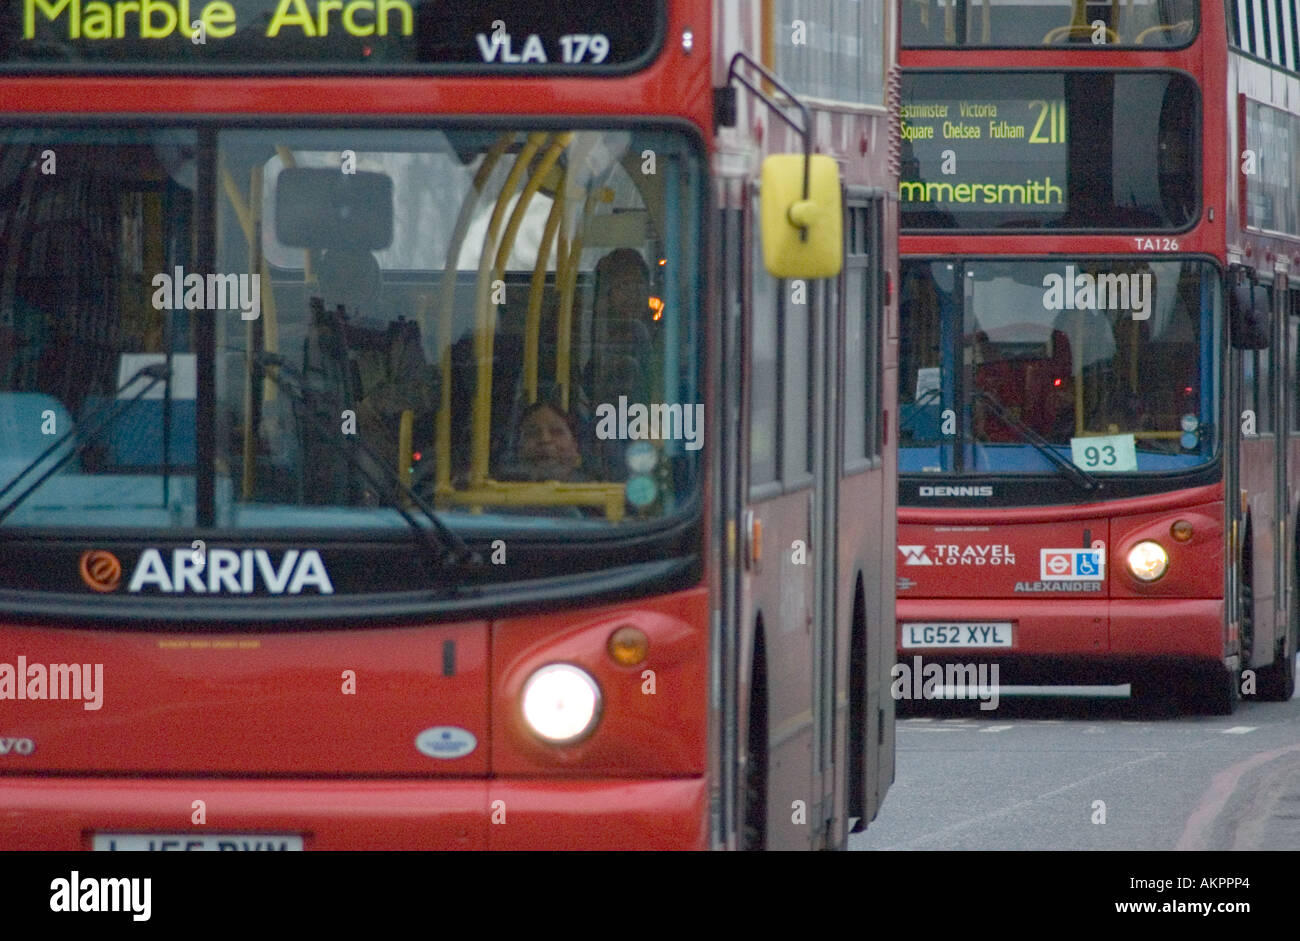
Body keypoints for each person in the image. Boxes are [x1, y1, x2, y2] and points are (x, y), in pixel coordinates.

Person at [497, 401, 587, 483]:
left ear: (575, 447)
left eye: (556, 432)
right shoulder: (496, 493)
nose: (545, 439)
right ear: (520, 447)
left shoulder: (596, 492)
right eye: (532, 433)